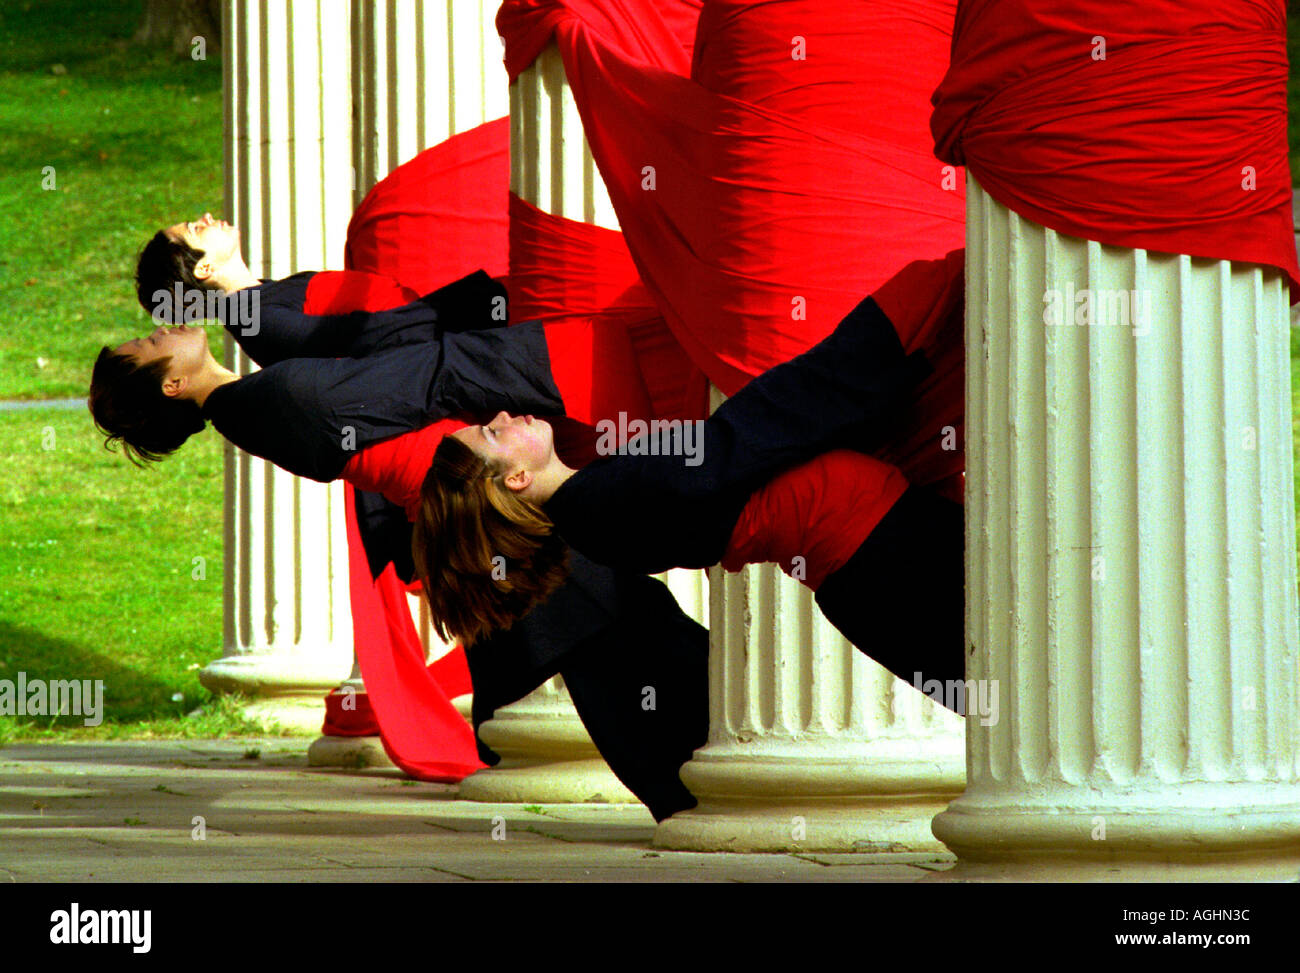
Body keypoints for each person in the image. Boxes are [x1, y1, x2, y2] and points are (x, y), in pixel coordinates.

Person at [414, 292, 965, 705]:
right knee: (1029, 684)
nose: (502, 416)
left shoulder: (595, 504)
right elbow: (748, 436)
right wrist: (886, 330)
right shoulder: (601, 503)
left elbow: (744, 443)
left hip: (880, 559)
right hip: (890, 560)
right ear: (513, 479)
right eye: (492, 435)